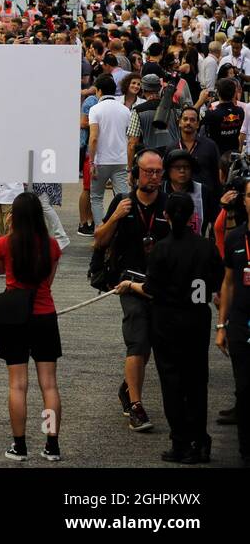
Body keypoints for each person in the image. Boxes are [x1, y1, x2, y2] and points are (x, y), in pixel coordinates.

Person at [116, 193, 223, 463]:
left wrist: (130, 285)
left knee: (172, 383)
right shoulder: (206, 247)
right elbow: (216, 281)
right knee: (197, 382)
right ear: (191, 217)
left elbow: (151, 289)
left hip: (167, 324)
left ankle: (180, 441)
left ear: (167, 216)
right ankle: (200, 439)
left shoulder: (161, 249)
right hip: (197, 320)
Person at [94, 148, 167, 434]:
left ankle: (127, 387)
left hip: (160, 285)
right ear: (135, 174)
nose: (154, 177)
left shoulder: (168, 203)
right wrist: (115, 219)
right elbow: (99, 241)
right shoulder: (122, 202)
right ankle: (136, 406)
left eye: (158, 171)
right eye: (149, 171)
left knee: (148, 344)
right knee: (137, 340)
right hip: (129, 283)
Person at [0, 192, 64, 462]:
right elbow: (50, 280)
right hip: (44, 314)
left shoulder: (4, 243)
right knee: (49, 385)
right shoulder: (51, 245)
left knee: (18, 385)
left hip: (14, 316)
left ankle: (19, 446)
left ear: (15, 217)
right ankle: (51, 444)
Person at [216, 180, 250, 466]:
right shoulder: (236, 238)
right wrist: (221, 326)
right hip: (240, 323)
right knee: (244, 388)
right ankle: (245, 452)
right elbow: (227, 284)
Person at [87, 75, 131, 227]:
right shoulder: (125, 110)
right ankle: (121, 230)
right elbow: (129, 137)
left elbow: (93, 138)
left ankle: (100, 230)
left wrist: (91, 162)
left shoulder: (95, 110)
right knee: (124, 198)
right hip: (120, 160)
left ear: (99, 91)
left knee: (97, 197)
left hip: (101, 161)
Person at [202, 77, 246, 156]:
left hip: (217, 155)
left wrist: (201, 101)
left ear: (218, 93)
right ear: (234, 93)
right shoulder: (240, 111)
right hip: (234, 154)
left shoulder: (211, 113)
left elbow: (201, 128)